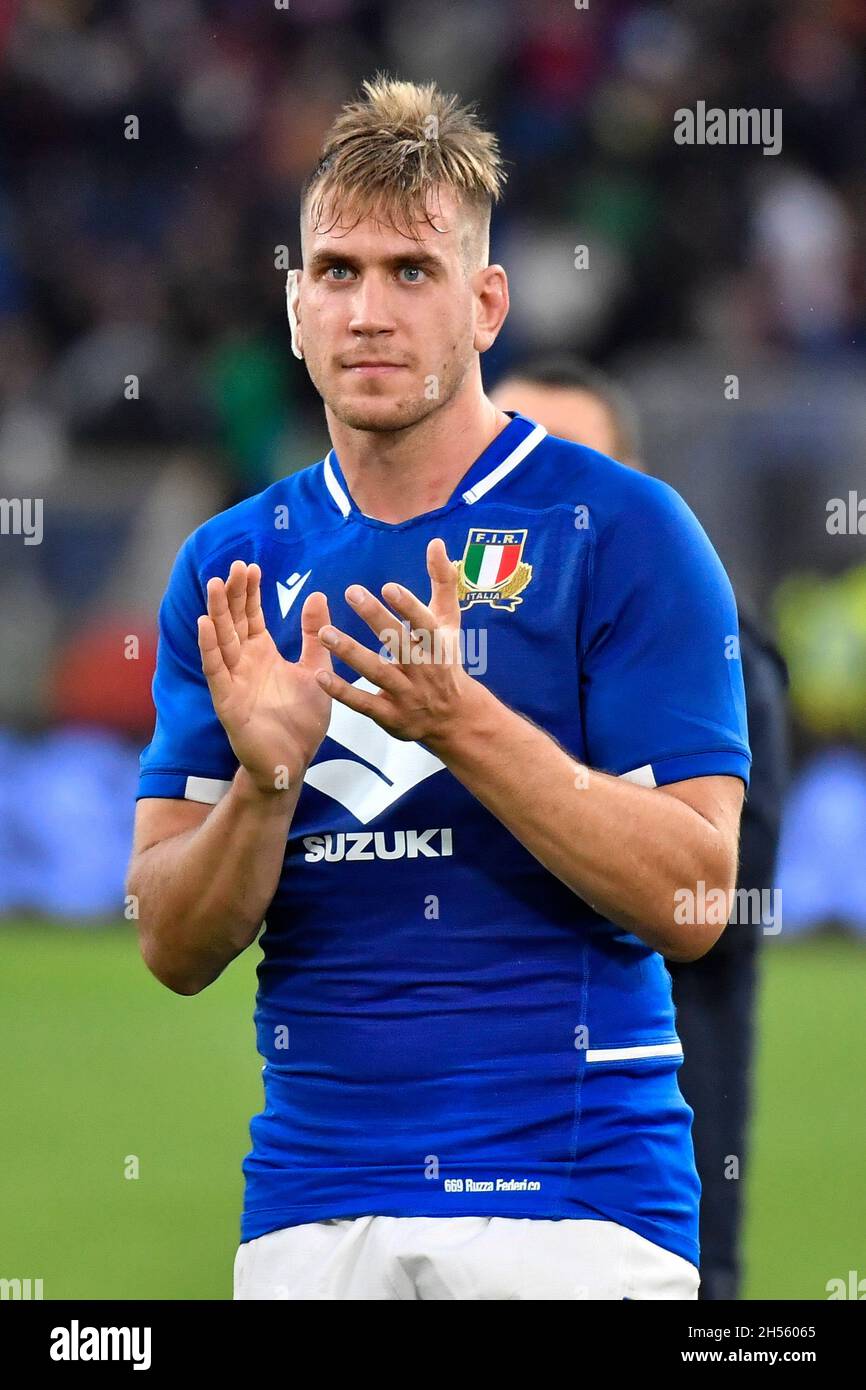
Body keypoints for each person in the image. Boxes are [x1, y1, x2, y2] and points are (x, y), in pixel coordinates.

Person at [127, 77, 751, 1301]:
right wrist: (263, 783)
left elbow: (694, 894)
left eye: (411, 272)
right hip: (313, 1207)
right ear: (294, 303)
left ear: (484, 303)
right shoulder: (230, 568)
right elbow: (172, 943)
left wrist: (461, 721)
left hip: (576, 1208)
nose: (368, 310)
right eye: (337, 270)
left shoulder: (623, 528)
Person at [491, 356, 789, 1300]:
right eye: (504, 454)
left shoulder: (710, 639)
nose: (534, 490)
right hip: (458, 1167)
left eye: (569, 460)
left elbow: (725, 893)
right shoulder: (443, 653)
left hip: (645, 1170)